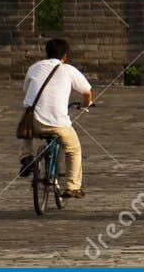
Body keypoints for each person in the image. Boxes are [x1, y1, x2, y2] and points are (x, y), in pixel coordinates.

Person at [21, 38, 93, 197]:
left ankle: (27, 157)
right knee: (74, 150)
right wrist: (85, 105)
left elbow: (26, 89)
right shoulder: (68, 70)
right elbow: (87, 92)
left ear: (47, 53)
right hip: (58, 123)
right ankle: (72, 186)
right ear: (65, 56)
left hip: (33, 121)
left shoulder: (34, 67)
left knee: (28, 127)